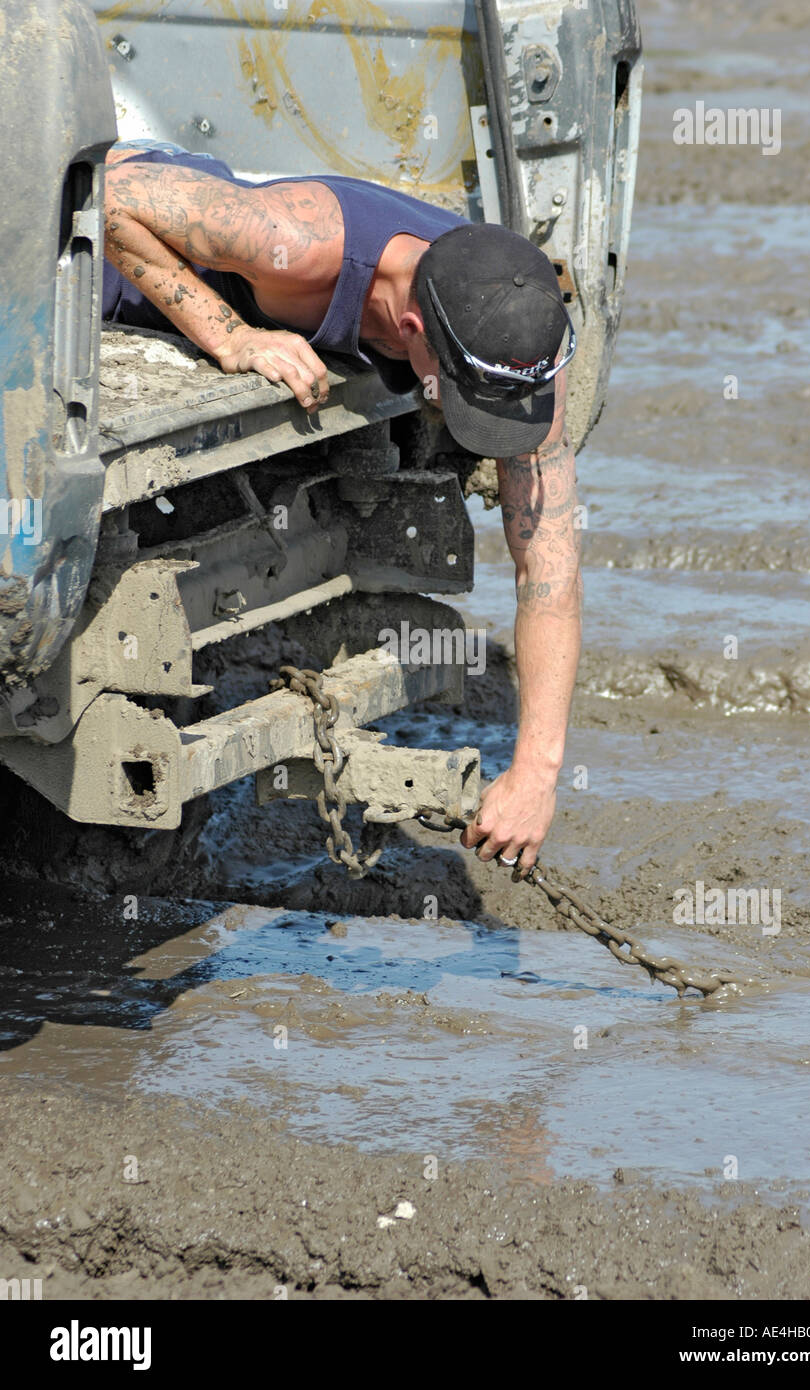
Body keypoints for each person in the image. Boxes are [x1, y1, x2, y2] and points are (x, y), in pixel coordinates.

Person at [103, 143, 583, 872]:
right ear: (414, 334)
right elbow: (109, 199)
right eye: (463, 400)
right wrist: (230, 336)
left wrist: (537, 775)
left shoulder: (515, 331)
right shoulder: (294, 243)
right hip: (95, 265)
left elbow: (550, 562)